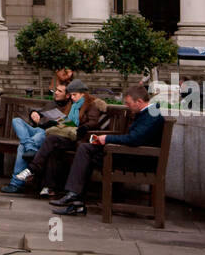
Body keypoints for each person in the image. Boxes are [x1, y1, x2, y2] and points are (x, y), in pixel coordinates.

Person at [51, 85, 166, 215]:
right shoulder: (148, 113)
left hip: (138, 160)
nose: (127, 106)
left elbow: (134, 139)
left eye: (128, 103)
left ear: (139, 102)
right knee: (86, 149)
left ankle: (75, 198)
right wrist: (105, 140)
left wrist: (107, 139)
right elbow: (134, 138)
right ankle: (75, 199)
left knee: (86, 152)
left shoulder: (151, 115)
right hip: (132, 155)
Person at [13, 79, 108, 193]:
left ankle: (31, 169)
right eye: (71, 95)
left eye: (75, 95)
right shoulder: (71, 104)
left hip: (80, 139)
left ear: (83, 94)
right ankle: (48, 186)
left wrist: (85, 127)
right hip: (68, 135)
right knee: (52, 144)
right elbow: (63, 118)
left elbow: (93, 122)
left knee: (51, 142)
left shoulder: (92, 104)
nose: (72, 97)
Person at [1, 79, 71, 195]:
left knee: (21, 146)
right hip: (37, 130)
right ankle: (30, 147)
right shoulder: (52, 103)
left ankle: (15, 184)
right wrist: (34, 113)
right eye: (56, 90)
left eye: (59, 91)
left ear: (67, 95)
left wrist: (49, 122)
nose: (56, 93)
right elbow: (39, 114)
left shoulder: (69, 107)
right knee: (16, 121)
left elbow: (65, 126)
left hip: (48, 134)